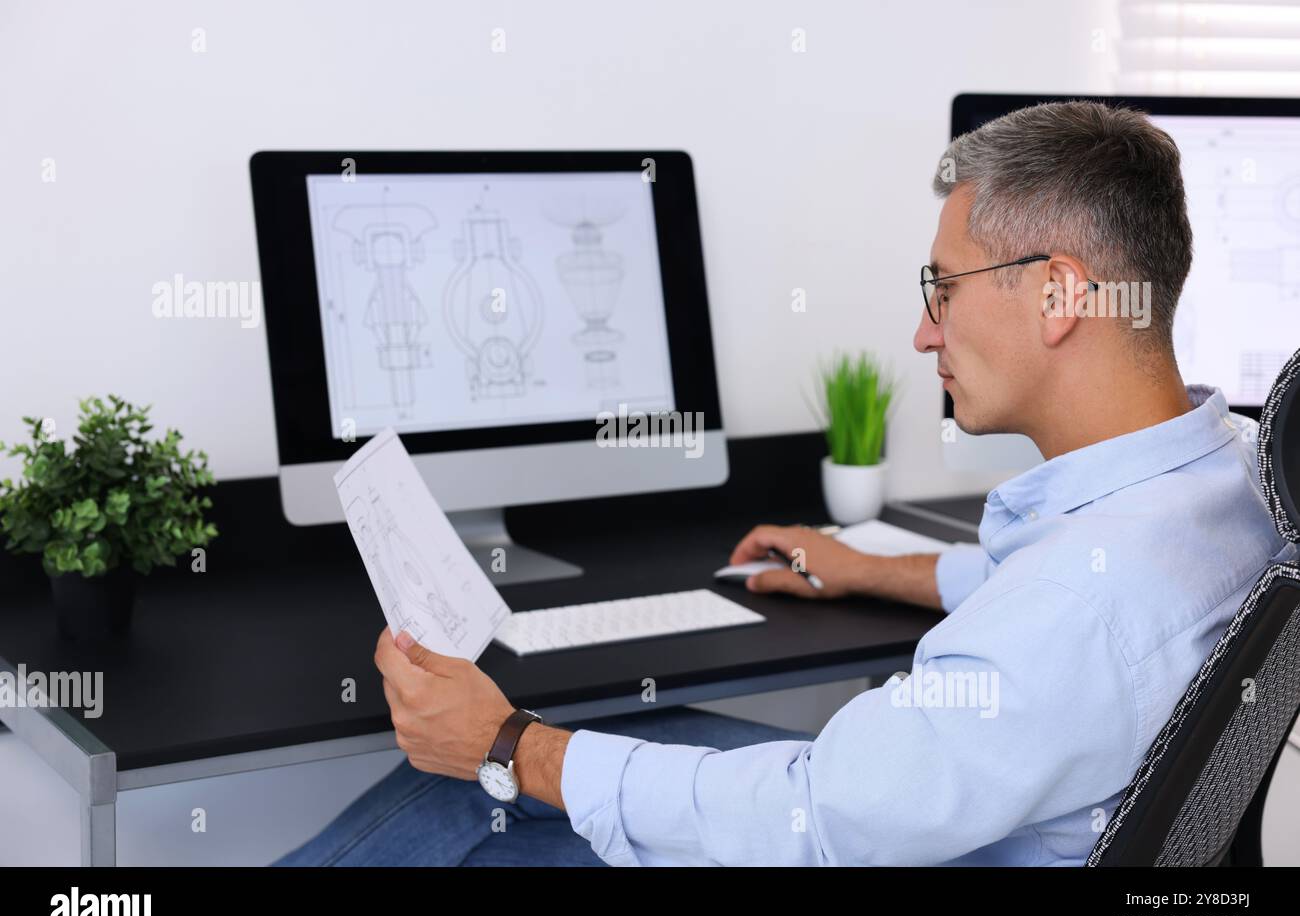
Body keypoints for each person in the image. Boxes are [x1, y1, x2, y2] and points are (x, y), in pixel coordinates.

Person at [276, 101, 1292, 866]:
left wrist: (506, 742)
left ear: (1063, 293)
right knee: (624, 741)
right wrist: (882, 571)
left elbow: (818, 814)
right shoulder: (1228, 475)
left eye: (943, 288)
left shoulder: (1076, 605)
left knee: (477, 794)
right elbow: (1074, 630)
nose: (922, 331)